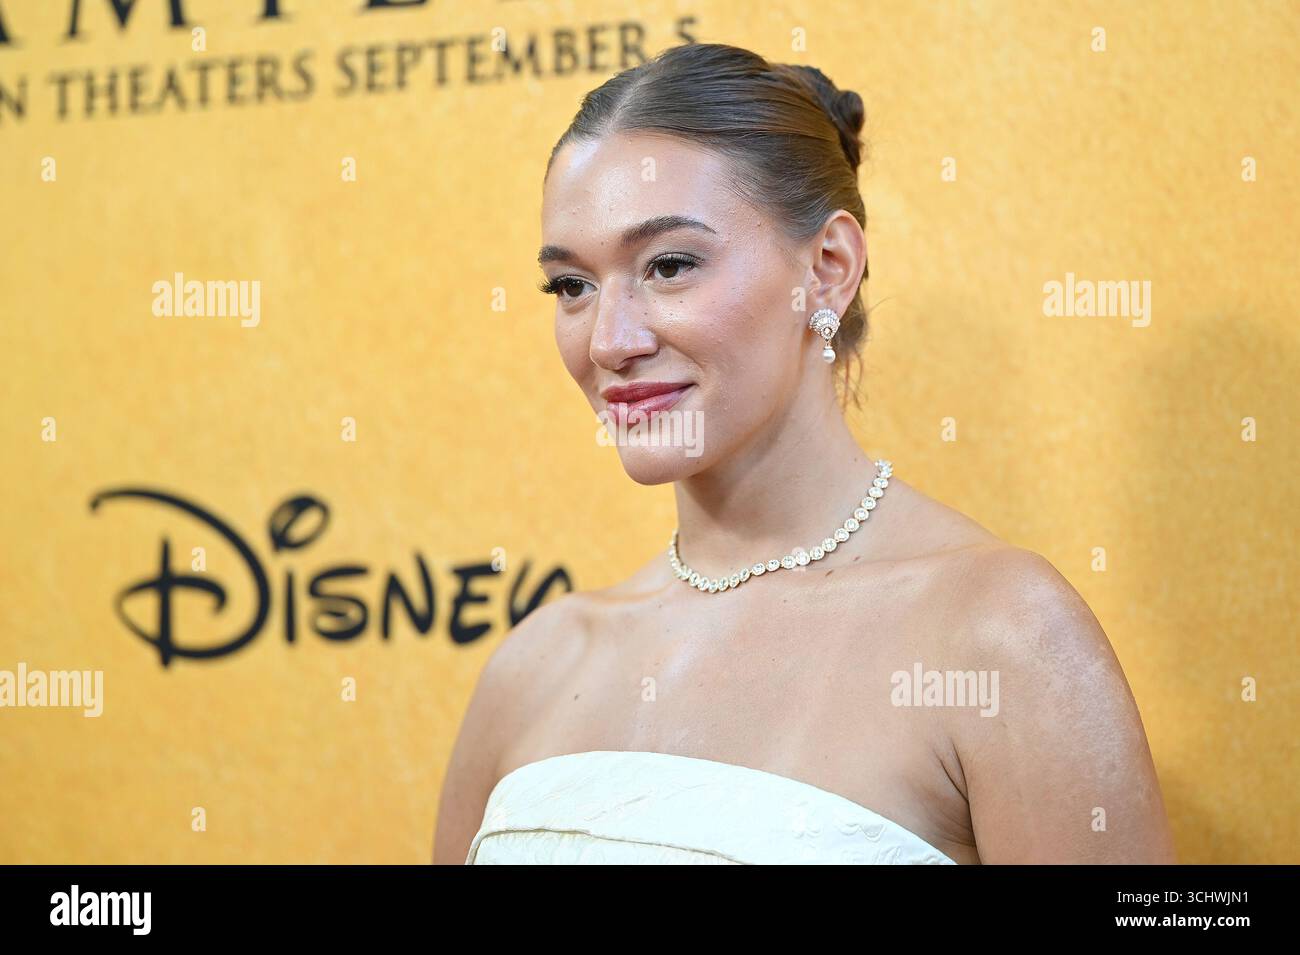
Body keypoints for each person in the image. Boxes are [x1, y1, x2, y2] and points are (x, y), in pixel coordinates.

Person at [433, 41, 1177, 864]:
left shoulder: (1002, 636)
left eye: (669, 265)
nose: (610, 340)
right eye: (571, 285)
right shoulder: (535, 665)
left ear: (827, 268)